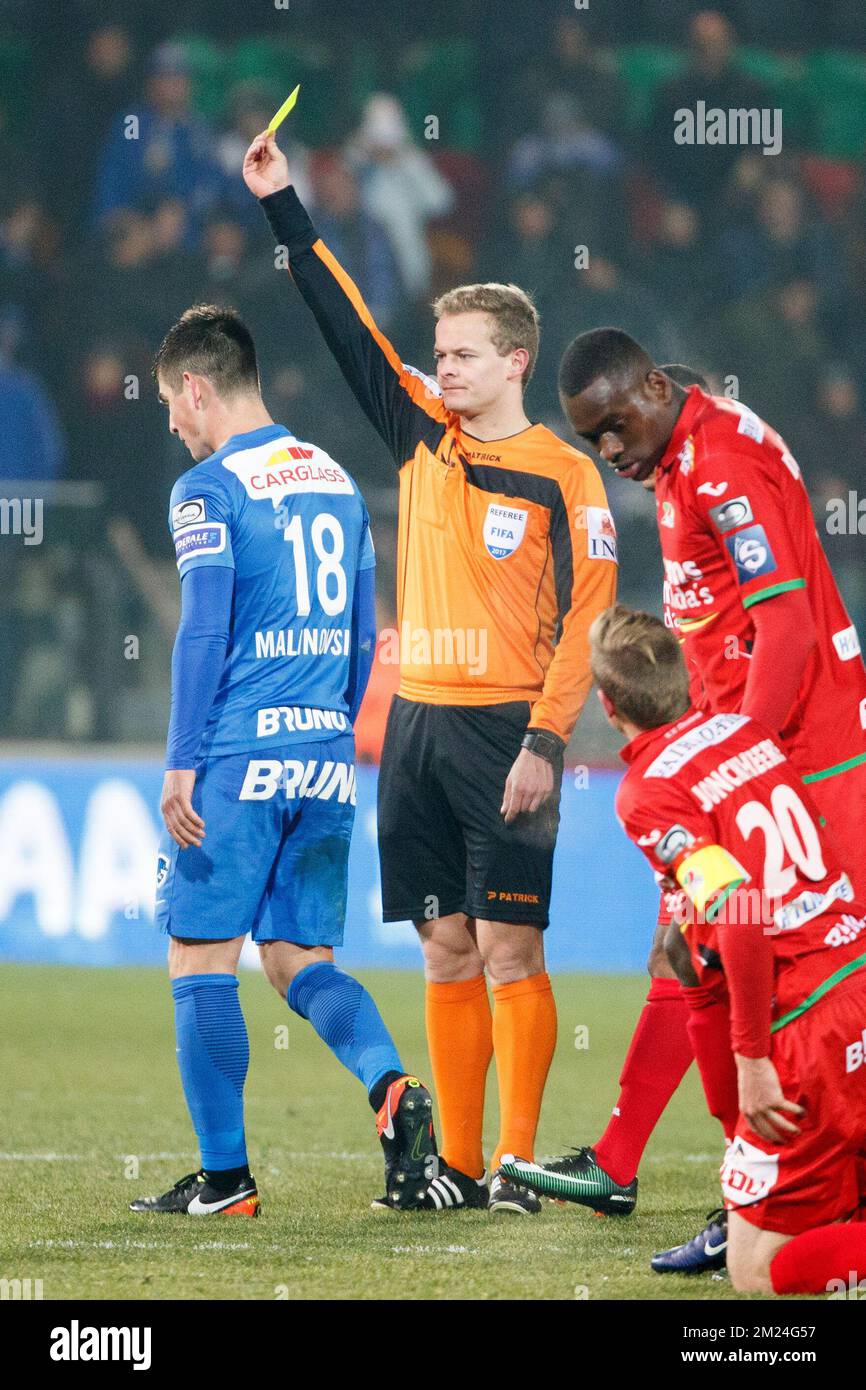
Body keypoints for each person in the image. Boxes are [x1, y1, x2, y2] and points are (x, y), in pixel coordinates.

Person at [242, 130, 618, 1214]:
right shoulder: (420, 432)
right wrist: (285, 207)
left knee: (509, 941)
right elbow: (342, 320)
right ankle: (454, 1164)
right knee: (444, 945)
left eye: (457, 354)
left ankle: (517, 1165)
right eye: (435, 352)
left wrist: (547, 741)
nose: (437, 367)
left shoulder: (564, 476)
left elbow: (587, 619)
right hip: (412, 725)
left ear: (512, 361)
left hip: (508, 729)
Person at [510, 329, 866, 1265]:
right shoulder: (681, 458)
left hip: (803, 762)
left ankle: (790, 1191)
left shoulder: (718, 465)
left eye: (618, 427)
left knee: (793, 963)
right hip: (758, 755)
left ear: (657, 388)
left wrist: (730, 756)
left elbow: (784, 620)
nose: (612, 452)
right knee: (691, 950)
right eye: (595, 441)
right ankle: (711, 1178)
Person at [130, 304, 438, 1217]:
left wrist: (184, 762)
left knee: (199, 962)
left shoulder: (207, 491)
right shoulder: (339, 478)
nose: (173, 426)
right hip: (326, 755)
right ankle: (390, 1090)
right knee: (298, 956)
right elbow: (361, 640)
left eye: (169, 406)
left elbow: (205, 630)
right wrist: (327, 737)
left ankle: (225, 1180)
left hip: (238, 753)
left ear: (195, 386)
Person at [508, 606, 866, 1296]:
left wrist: (754, 1061)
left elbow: (738, 908)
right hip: (852, 969)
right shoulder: (745, 731)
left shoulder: (648, 794)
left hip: (809, 1022)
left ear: (608, 707)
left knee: (757, 1273)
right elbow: (703, 924)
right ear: (685, 681)